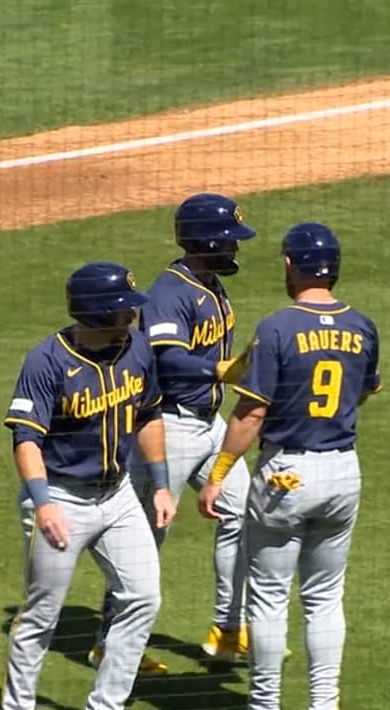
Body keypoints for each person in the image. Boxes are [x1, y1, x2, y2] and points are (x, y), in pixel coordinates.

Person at [199, 222, 380, 710]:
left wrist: (218, 474)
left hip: (286, 473)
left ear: (289, 266)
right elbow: (363, 391)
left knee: (269, 597)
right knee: (325, 597)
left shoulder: (278, 328)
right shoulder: (362, 326)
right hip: (343, 469)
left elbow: (252, 412)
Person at [0, 261, 176, 710]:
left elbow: (148, 415)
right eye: (124, 307)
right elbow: (25, 438)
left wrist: (160, 486)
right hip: (59, 498)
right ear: (99, 311)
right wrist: (43, 502)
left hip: (117, 496)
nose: (132, 315)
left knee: (143, 596)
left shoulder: (137, 348)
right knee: (40, 616)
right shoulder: (47, 361)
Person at [87, 192, 260, 671]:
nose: (236, 249)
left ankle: (227, 630)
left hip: (209, 425)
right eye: (229, 241)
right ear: (205, 241)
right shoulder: (171, 291)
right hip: (168, 424)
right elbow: (165, 356)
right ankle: (111, 642)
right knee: (144, 538)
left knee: (242, 512)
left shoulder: (208, 285)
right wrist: (222, 369)